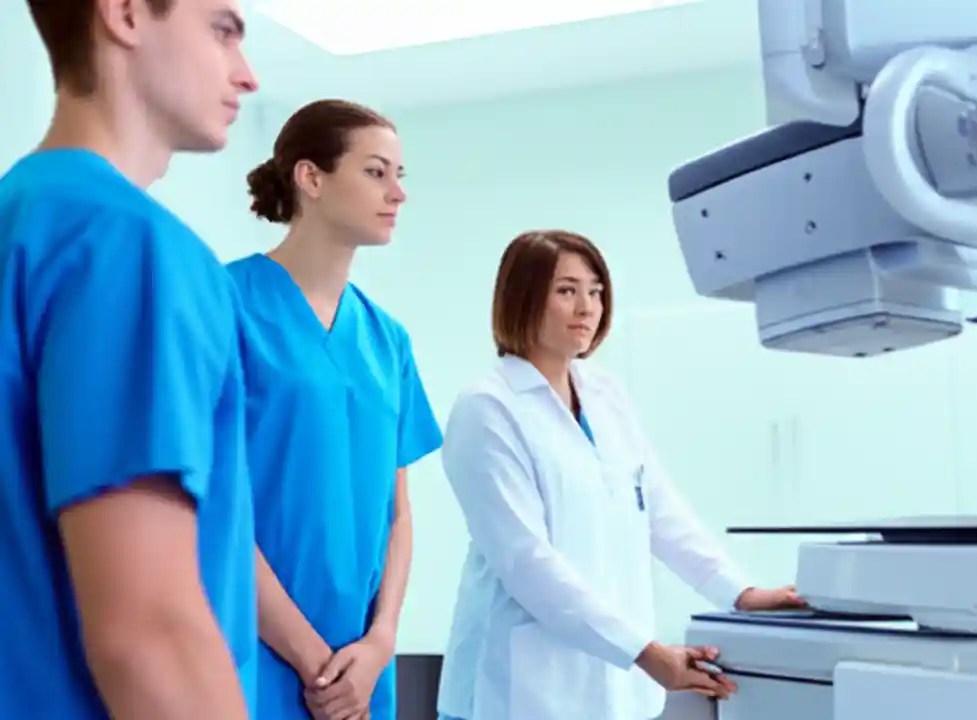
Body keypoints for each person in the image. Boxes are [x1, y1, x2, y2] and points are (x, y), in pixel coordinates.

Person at [0, 1, 259, 717]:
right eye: (223, 30)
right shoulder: (128, 245)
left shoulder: (22, 220)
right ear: (124, 14)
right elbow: (149, 633)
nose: (247, 75)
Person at [436, 230, 806, 720]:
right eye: (566, 291)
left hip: (612, 689)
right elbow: (527, 562)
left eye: (595, 291)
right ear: (522, 298)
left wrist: (738, 593)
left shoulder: (604, 393)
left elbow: (658, 508)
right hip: (515, 692)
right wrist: (646, 652)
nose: (587, 307)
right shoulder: (487, 408)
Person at [230, 99, 444, 720]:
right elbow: (209, 510)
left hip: (363, 669)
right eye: (377, 172)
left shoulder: (388, 339)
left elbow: (396, 515)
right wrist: (313, 663)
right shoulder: (222, 305)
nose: (397, 193)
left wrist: (380, 644)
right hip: (255, 653)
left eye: (401, 176)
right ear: (311, 178)